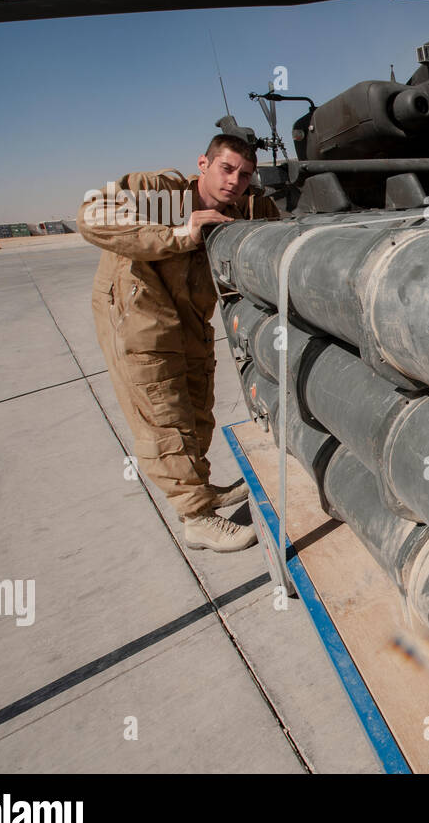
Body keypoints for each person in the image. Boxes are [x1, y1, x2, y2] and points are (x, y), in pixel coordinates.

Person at [78, 134, 282, 552]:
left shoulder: (246, 206)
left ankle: (201, 488)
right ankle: (196, 518)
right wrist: (178, 234)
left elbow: (278, 231)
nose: (234, 182)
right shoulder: (166, 197)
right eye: (226, 169)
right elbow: (93, 215)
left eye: (245, 175)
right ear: (203, 164)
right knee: (163, 413)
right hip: (139, 318)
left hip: (190, 317)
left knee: (196, 406)